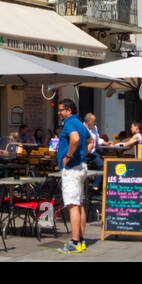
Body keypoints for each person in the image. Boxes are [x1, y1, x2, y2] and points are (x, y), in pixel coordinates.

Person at [55, 98, 90, 254]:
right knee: (79, 204)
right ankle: (81, 241)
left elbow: (75, 139)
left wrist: (68, 156)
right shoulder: (80, 123)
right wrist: (83, 153)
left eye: (61, 109)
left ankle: (75, 242)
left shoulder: (69, 123)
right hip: (81, 166)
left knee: (72, 205)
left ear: (69, 111)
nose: (59, 112)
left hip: (72, 168)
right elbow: (90, 140)